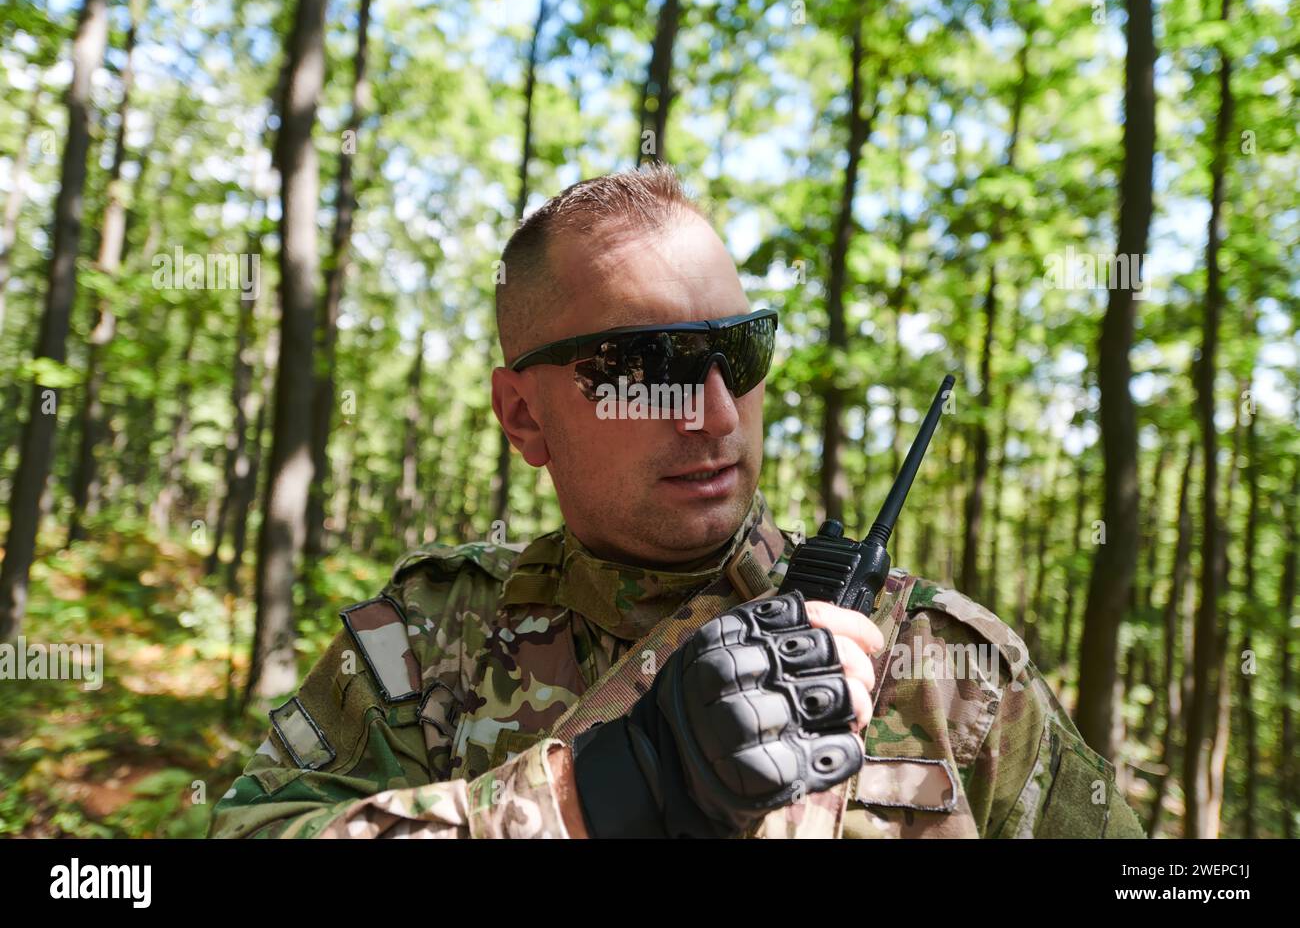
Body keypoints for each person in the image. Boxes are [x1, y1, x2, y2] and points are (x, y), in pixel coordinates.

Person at [208, 165, 1145, 839]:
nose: (711, 413)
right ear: (524, 418)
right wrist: (594, 798)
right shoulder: (427, 642)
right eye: (643, 366)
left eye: (734, 354)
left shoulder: (944, 667)